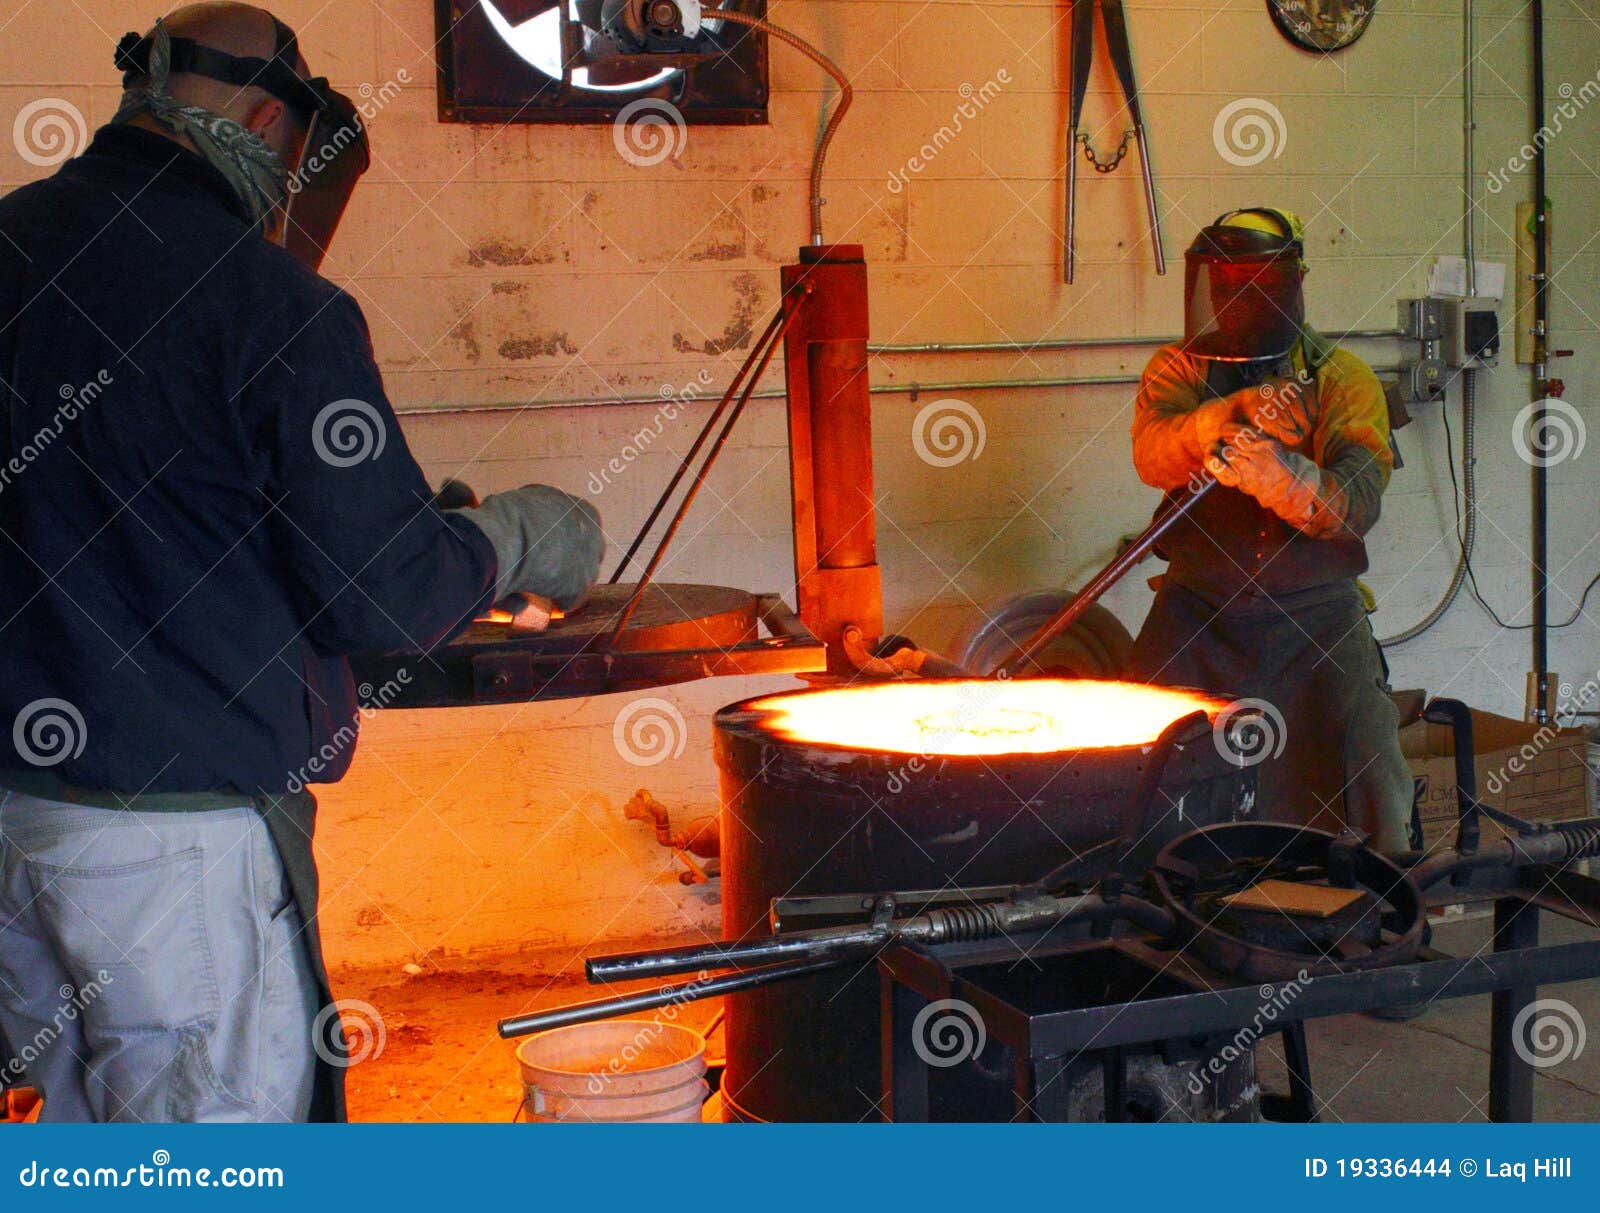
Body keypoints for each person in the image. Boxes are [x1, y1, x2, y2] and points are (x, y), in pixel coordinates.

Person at [0, 3, 602, 1122]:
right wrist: (518, 533)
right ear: (274, 126)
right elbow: (383, 596)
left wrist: (401, 520)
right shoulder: (273, 306)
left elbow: (150, 501)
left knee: (72, 1146)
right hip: (171, 860)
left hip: (17, 831)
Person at [1127, 207, 1411, 850]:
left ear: (1293, 282)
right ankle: (1142, 889)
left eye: (1256, 284)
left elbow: (1357, 503)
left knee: (1366, 760)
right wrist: (1225, 416)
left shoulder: (1342, 379)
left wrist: (1278, 476)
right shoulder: (1179, 370)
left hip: (1315, 618)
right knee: (1133, 751)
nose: (1240, 299)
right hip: (1198, 610)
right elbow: (1151, 454)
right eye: (1227, 285)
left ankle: (1380, 889)